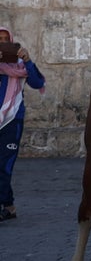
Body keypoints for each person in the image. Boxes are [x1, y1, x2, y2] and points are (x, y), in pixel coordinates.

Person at [0, 27, 45, 221]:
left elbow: (37, 82)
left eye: (5, 39)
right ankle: (9, 206)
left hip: (12, 120)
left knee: (4, 165)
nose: (2, 42)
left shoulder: (20, 64)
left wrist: (27, 60)